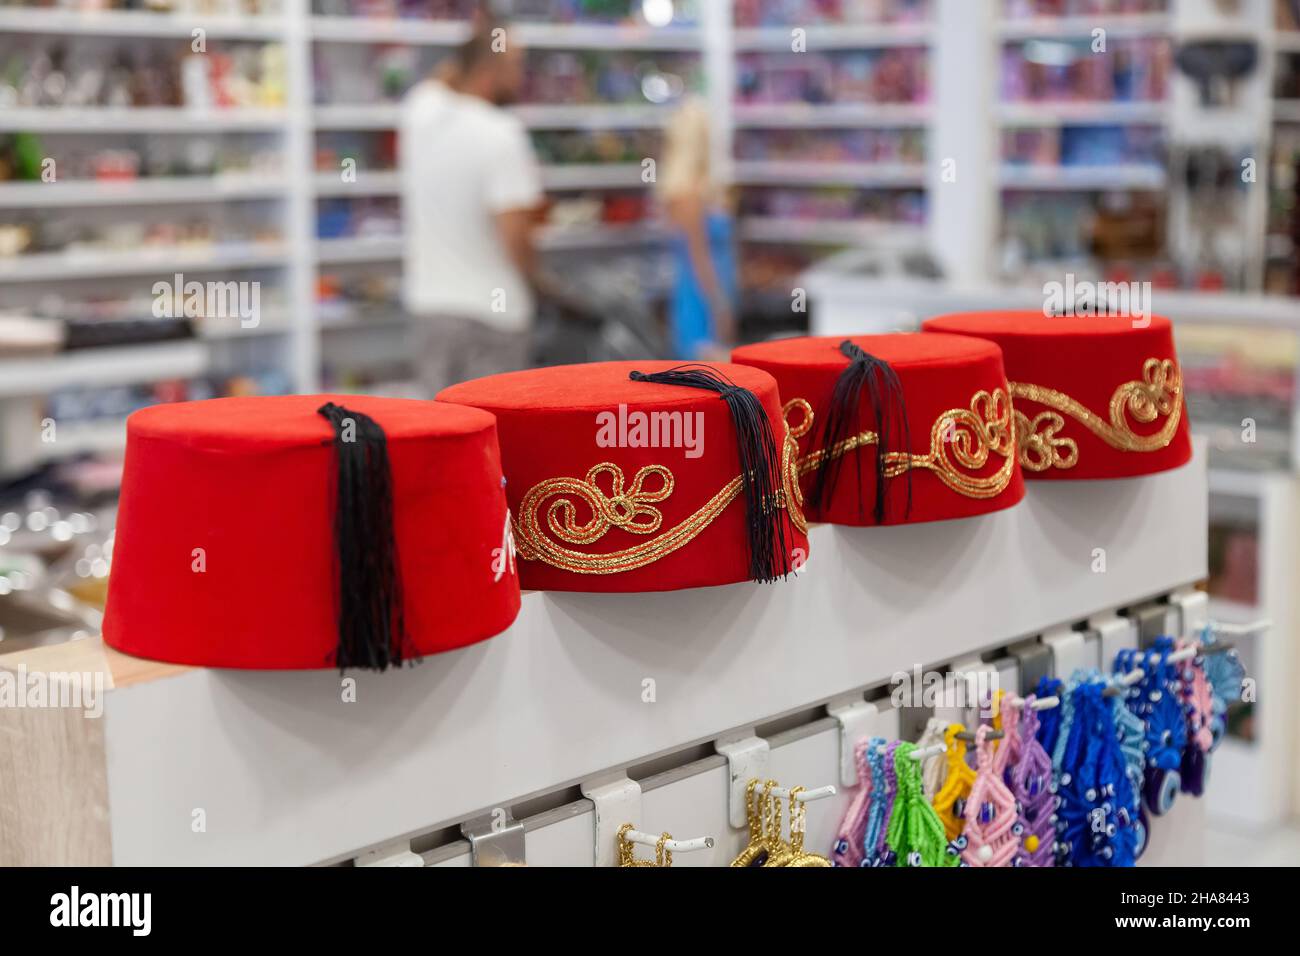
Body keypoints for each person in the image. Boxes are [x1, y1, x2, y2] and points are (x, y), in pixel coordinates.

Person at [401, 19, 545, 394]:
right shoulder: (502, 133)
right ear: (488, 71)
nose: (520, 74)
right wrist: (539, 285)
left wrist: (481, 46)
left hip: (433, 308)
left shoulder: (419, 112)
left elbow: (446, 73)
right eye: (515, 63)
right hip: (495, 317)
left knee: (440, 439)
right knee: (494, 438)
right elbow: (515, 233)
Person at [657, 98, 739, 361]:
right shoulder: (689, 196)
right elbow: (699, 258)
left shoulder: (687, 191)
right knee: (711, 377)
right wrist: (720, 307)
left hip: (702, 291)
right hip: (702, 299)